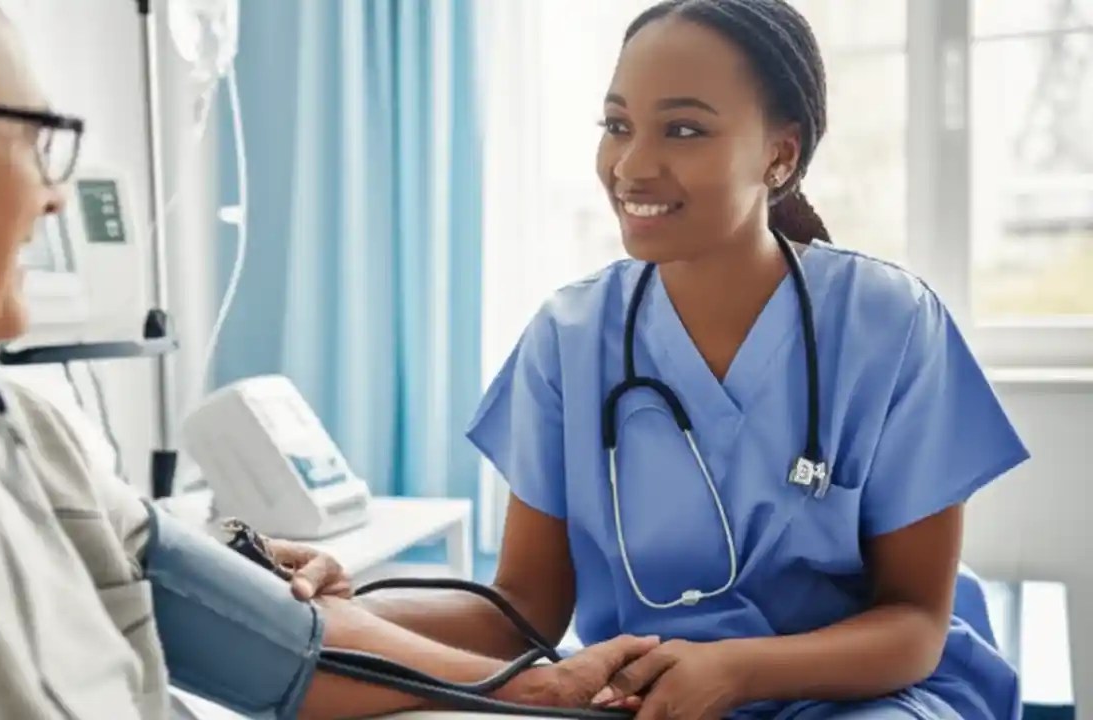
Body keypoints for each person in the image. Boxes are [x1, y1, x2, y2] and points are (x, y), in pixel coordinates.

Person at [0, 0, 660, 718]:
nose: (54, 194)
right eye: (37, 141)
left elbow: (276, 639)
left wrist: (537, 690)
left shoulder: (21, 429)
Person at [357, 1, 1031, 718]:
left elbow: (915, 625)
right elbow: (524, 609)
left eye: (684, 130)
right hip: (653, 702)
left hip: (869, 695)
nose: (632, 165)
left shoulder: (889, 324)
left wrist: (736, 670)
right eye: (617, 126)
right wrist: (344, 602)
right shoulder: (570, 337)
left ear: (781, 154)